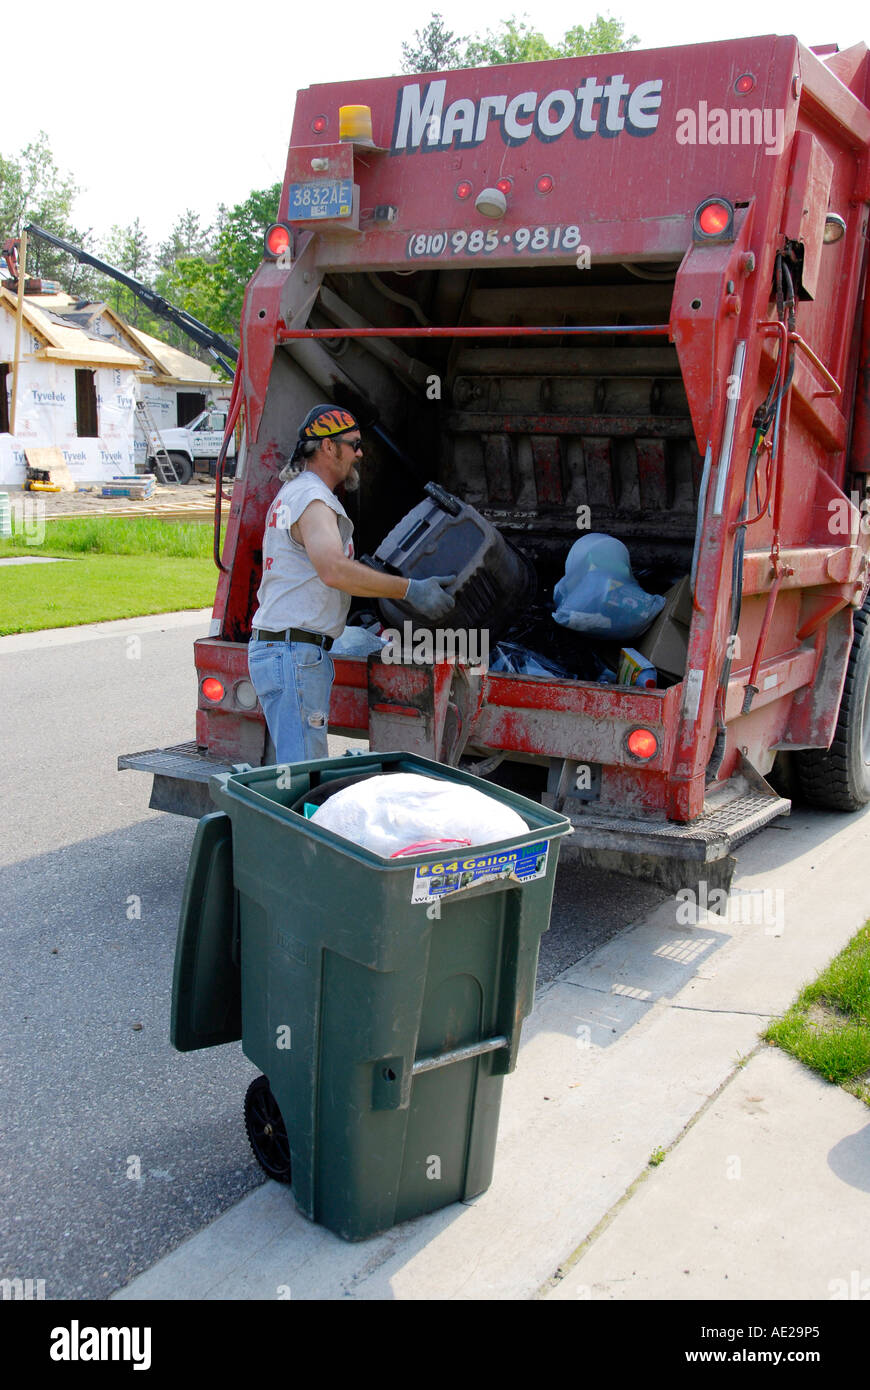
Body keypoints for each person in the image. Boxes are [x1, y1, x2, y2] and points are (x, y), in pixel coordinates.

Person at [248, 403, 455, 763]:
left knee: (301, 770)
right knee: (303, 776)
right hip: (292, 654)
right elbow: (334, 570)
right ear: (328, 447)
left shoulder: (301, 494)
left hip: (293, 652)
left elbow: (329, 570)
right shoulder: (311, 499)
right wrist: (410, 590)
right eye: (354, 443)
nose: (360, 454)